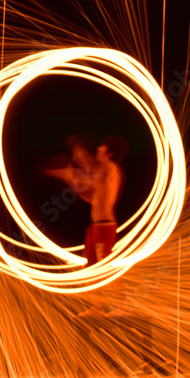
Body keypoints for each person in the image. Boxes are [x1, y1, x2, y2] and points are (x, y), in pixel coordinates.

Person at [42, 134, 128, 315]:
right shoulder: (105, 171)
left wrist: (77, 153)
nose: (98, 149)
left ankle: (123, 305)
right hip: (95, 226)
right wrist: (66, 173)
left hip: (105, 226)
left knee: (104, 265)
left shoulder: (110, 169)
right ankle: (96, 307)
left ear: (109, 154)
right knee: (89, 267)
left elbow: (86, 174)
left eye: (102, 148)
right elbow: (91, 192)